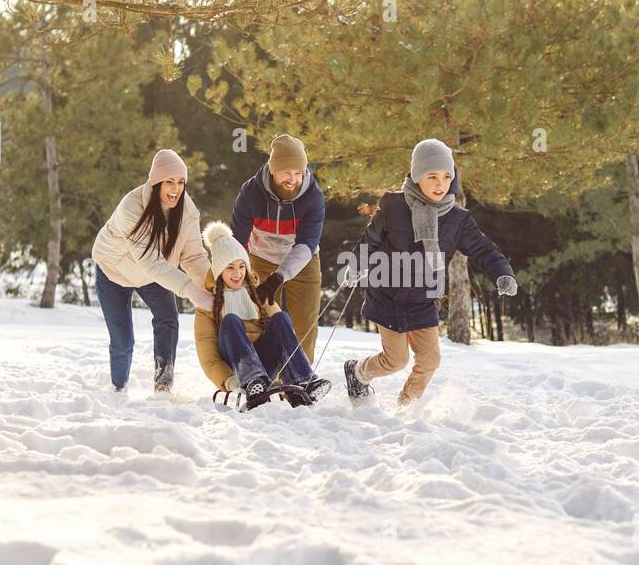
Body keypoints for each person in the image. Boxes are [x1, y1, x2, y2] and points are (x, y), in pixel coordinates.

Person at [343, 138, 518, 407]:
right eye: (432, 176)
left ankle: (406, 408)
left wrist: (502, 273)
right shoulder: (392, 207)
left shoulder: (458, 219)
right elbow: (370, 241)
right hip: (387, 296)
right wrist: (355, 265)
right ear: (416, 176)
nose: (440, 184)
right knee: (396, 361)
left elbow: (484, 250)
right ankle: (358, 372)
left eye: (447, 176)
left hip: (423, 300)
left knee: (429, 361)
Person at [91, 149, 214, 393]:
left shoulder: (187, 210)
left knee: (168, 318)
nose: (176, 188)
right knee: (123, 342)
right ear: (156, 182)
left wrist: (214, 286)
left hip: (153, 275)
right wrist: (190, 290)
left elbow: (193, 256)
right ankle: (118, 388)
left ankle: (163, 385)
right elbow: (149, 260)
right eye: (169, 182)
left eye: (181, 182)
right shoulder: (132, 207)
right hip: (114, 273)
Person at [194, 221, 331, 411]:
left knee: (281, 318)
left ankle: (303, 382)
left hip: (264, 369)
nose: (238, 273)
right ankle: (252, 380)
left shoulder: (257, 294)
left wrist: (281, 377)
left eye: (242, 266)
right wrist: (232, 383)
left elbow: (282, 335)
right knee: (231, 320)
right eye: (230, 268)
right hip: (237, 371)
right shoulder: (207, 305)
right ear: (218, 271)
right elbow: (209, 359)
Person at [230, 134, 325, 362]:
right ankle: (265, 376)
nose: (292, 179)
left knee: (305, 324)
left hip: (303, 262)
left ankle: (300, 377)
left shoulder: (313, 197)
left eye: (297, 173)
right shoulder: (251, 193)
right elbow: (238, 241)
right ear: (273, 169)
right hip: (261, 258)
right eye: (286, 172)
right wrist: (241, 273)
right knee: (261, 321)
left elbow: (306, 245)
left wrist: (279, 277)